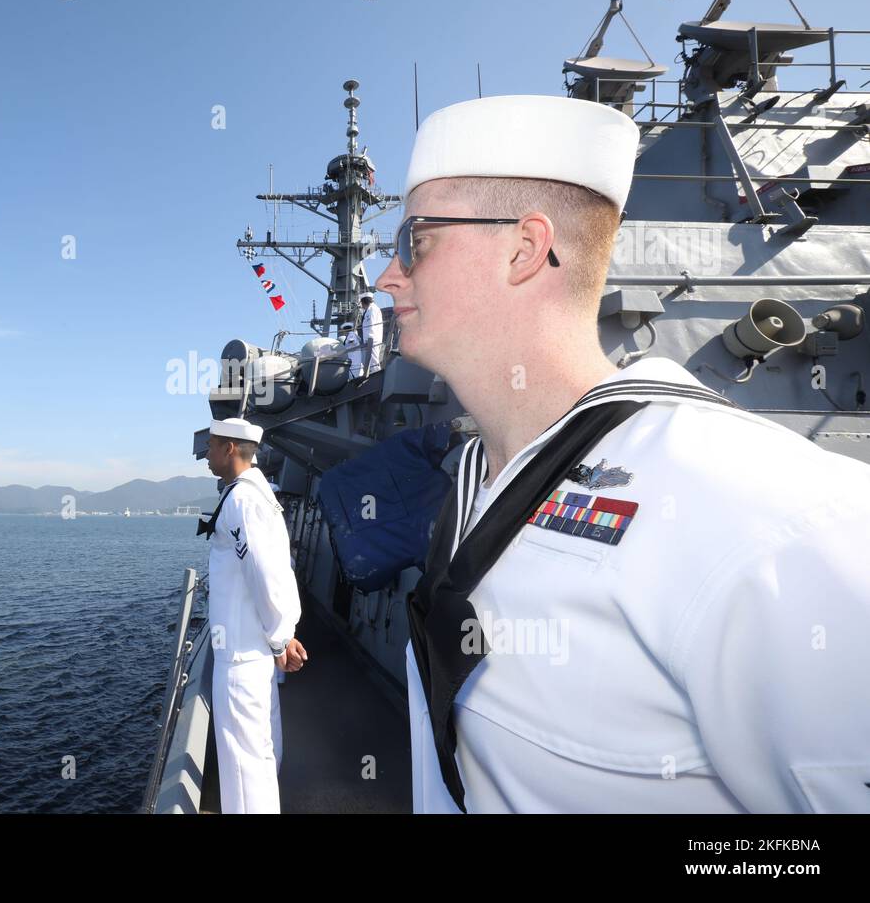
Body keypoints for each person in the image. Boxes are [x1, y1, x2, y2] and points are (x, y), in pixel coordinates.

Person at [375, 93, 870, 814]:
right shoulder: (474, 482)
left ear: (522, 247)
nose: (388, 276)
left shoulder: (771, 520)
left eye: (414, 240)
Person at [198, 417, 307, 812]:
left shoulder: (243, 501)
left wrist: (281, 637)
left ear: (229, 448)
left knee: (245, 763)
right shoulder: (254, 495)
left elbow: (265, 572)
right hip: (254, 647)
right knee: (260, 750)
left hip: (242, 654)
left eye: (211, 446)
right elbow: (278, 570)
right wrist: (282, 634)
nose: (206, 455)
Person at [359, 291, 384, 374]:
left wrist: (368, 340)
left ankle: (377, 377)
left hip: (372, 340)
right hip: (371, 340)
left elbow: (371, 324)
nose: (361, 305)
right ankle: (373, 375)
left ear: (364, 301)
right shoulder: (369, 310)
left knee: (374, 361)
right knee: (370, 361)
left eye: (361, 302)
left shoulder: (372, 309)